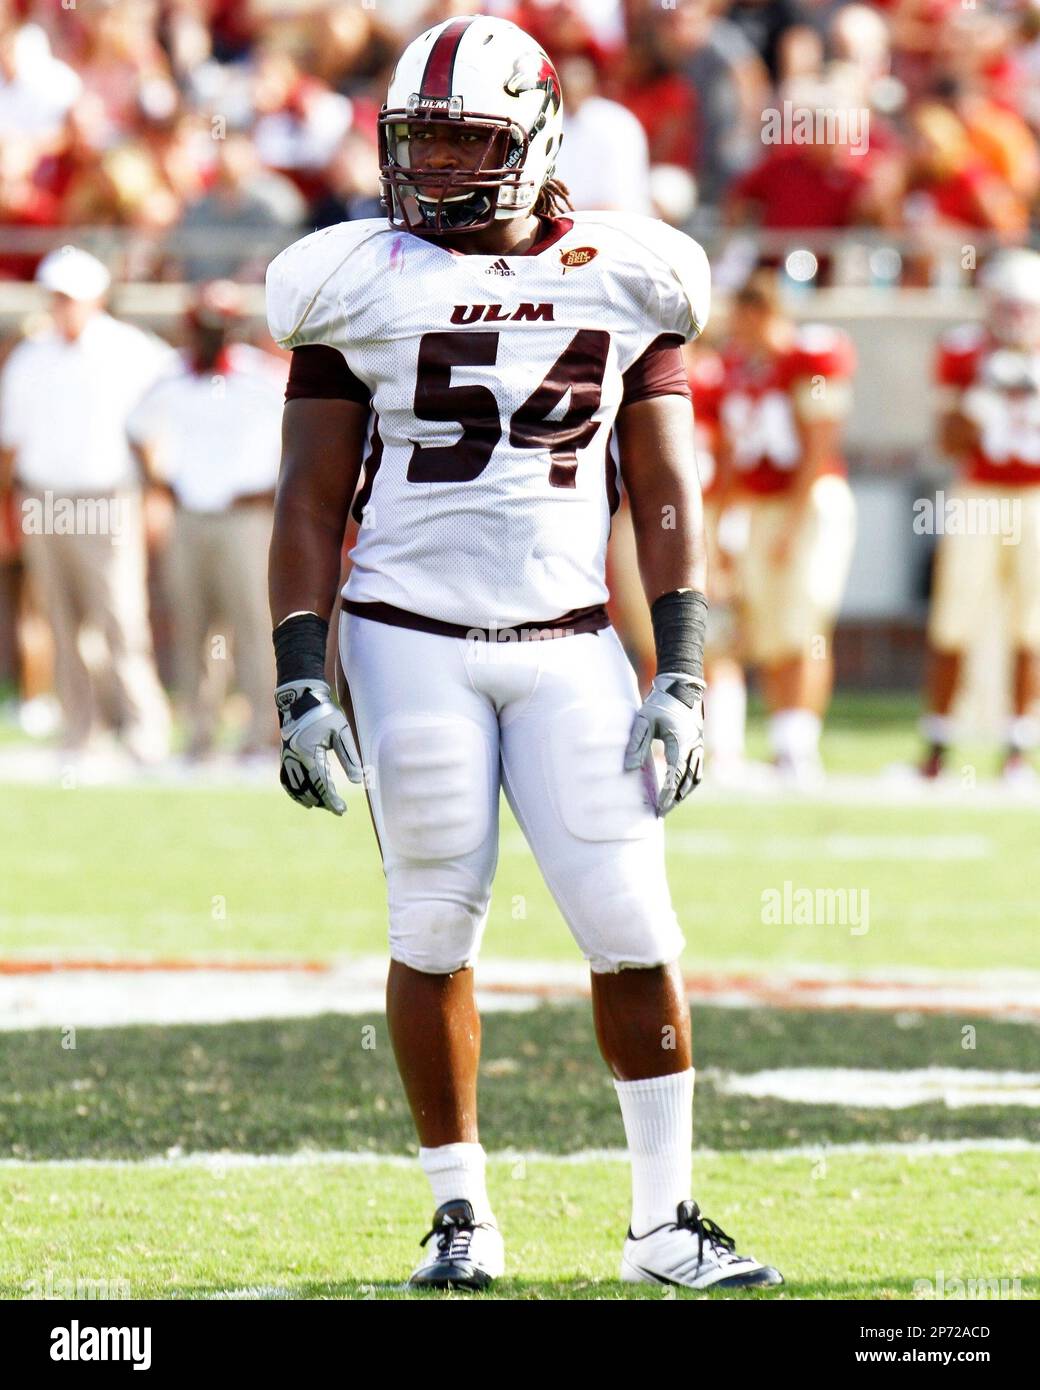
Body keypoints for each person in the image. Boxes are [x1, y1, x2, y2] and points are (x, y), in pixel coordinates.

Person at [266, 14, 782, 1292]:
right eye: (418, 142)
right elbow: (308, 500)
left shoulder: (630, 271)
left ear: (537, 138)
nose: (432, 168)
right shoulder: (352, 279)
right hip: (408, 635)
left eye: (463, 142)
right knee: (433, 918)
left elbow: (663, 485)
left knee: (631, 920)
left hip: (567, 638)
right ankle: (460, 1214)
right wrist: (299, 676)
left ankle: (663, 1223)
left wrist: (680, 667)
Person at [0, 246, 173, 763]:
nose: (63, 307)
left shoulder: (132, 350)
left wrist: (158, 492)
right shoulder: (30, 356)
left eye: (70, 297)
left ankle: (143, 725)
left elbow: (160, 427)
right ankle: (81, 728)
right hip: (43, 497)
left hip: (108, 496)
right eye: (56, 297)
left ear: (96, 298)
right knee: (60, 617)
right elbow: (11, 442)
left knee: (120, 614)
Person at [126, 281, 286, 760]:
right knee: (193, 625)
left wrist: (275, 487)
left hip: (245, 516)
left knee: (253, 624)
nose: (213, 336)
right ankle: (200, 730)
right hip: (190, 515)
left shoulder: (261, 376)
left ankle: (263, 731)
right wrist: (160, 482)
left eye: (220, 327)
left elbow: (306, 433)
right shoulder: (172, 376)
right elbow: (135, 428)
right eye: (204, 327)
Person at [714, 269, 857, 782]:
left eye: (740, 318)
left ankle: (800, 745)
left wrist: (794, 524)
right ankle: (783, 744)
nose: (734, 329)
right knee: (768, 629)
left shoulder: (809, 357)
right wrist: (727, 522)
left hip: (808, 502)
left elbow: (819, 445)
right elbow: (733, 455)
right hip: (759, 507)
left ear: (761, 313)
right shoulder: (739, 367)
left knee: (804, 624)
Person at [921, 249, 1040, 783]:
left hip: (1035, 498)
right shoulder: (965, 352)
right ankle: (937, 746)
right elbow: (948, 442)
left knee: (1030, 625)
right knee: (954, 618)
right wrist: (984, 395)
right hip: (978, 497)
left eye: (1026, 307)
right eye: (1008, 306)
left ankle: (1017, 750)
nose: (1017, 319)